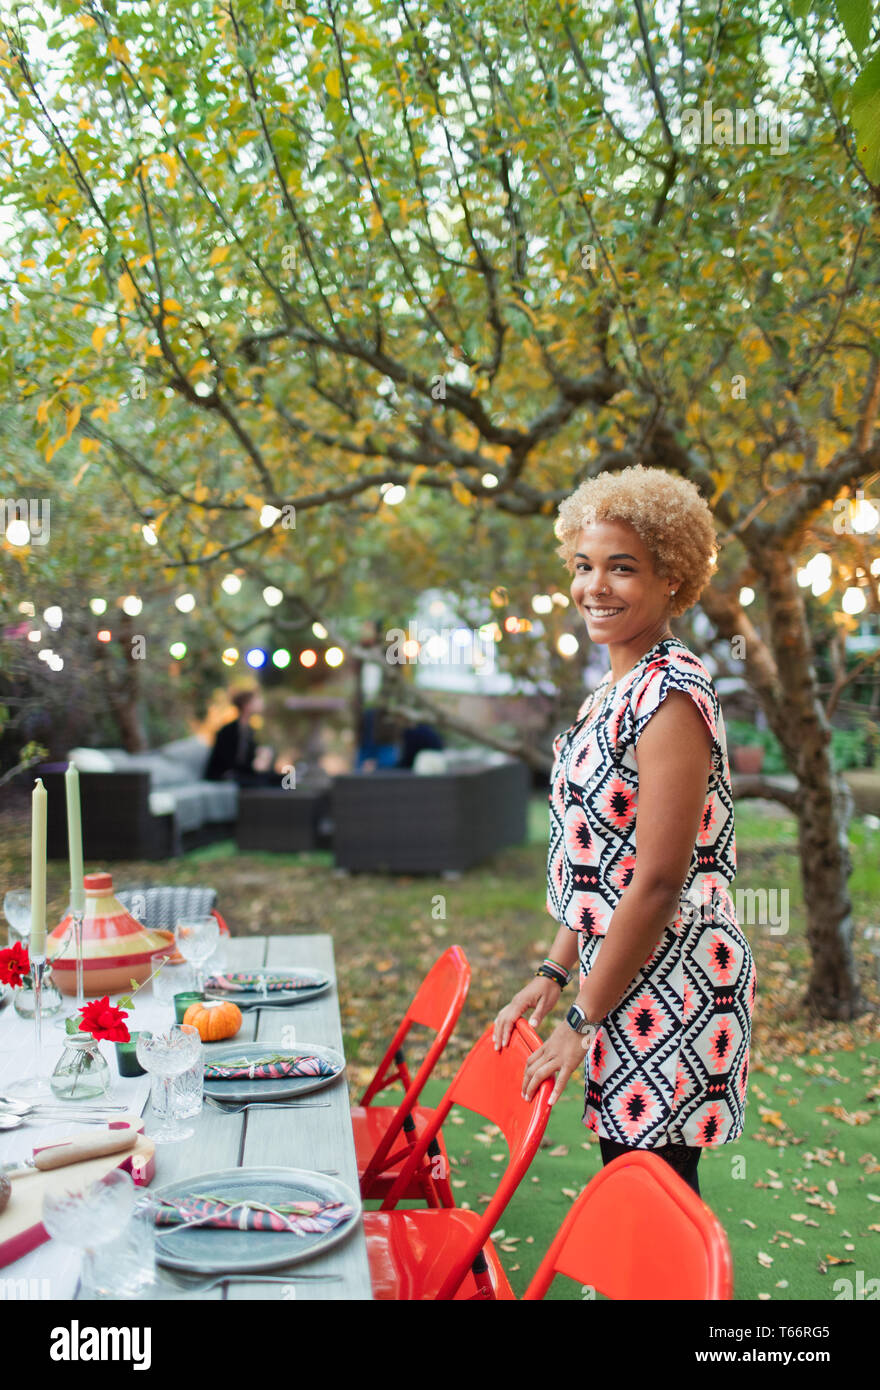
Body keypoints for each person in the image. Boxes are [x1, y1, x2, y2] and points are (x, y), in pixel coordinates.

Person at [493, 464, 756, 1197]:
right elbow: (597, 861)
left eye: (622, 568)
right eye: (583, 565)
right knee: (635, 1183)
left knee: (652, 1193)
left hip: (674, 979)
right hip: (622, 972)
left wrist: (581, 1017)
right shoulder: (615, 686)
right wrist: (553, 973)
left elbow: (661, 880)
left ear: (672, 578)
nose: (594, 587)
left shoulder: (671, 691)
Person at [204, 690, 282, 786]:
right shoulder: (228, 730)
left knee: (281, 778)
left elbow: (249, 760)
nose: (260, 703)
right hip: (225, 774)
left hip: (241, 772)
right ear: (246, 705)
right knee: (264, 782)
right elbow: (228, 760)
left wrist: (261, 756)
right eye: (255, 700)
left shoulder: (250, 730)